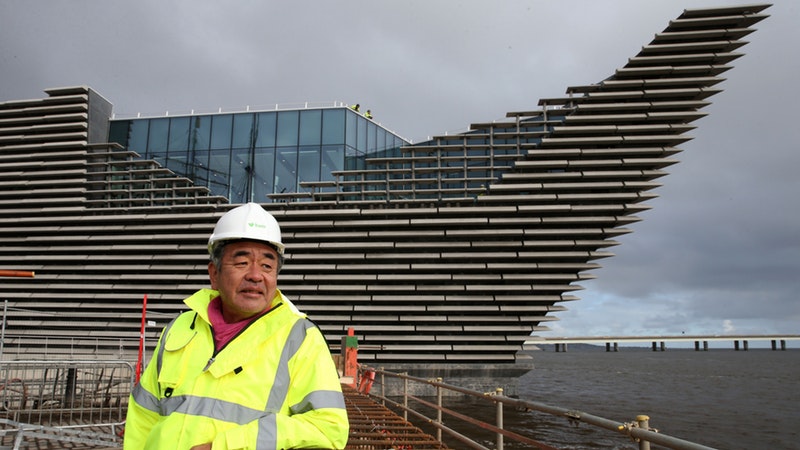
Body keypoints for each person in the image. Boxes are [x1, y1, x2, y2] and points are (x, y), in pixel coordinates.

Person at [124, 203, 349, 450]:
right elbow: (142, 417)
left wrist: (228, 446)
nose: (255, 275)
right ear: (214, 274)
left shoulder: (300, 338)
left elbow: (327, 429)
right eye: (242, 263)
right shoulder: (179, 329)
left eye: (267, 266)